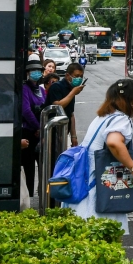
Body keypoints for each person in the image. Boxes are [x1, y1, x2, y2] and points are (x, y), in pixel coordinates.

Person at [63, 79, 133, 234]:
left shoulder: (105, 116)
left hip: (85, 184)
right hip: (101, 189)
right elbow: (113, 142)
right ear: (130, 98)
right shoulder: (121, 119)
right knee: (105, 238)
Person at [22, 55, 45, 197]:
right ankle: (28, 196)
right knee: (28, 167)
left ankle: (43, 192)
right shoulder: (25, 88)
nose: (36, 73)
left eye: (38, 70)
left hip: (40, 133)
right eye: (33, 70)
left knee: (43, 165)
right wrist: (37, 127)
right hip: (28, 132)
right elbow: (26, 110)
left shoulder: (41, 90)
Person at [46, 62, 85, 147]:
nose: (79, 79)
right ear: (67, 75)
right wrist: (73, 93)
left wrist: (73, 136)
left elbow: (71, 114)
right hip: (52, 132)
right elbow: (57, 107)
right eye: (76, 76)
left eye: (81, 76)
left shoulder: (71, 89)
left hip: (64, 132)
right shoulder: (56, 87)